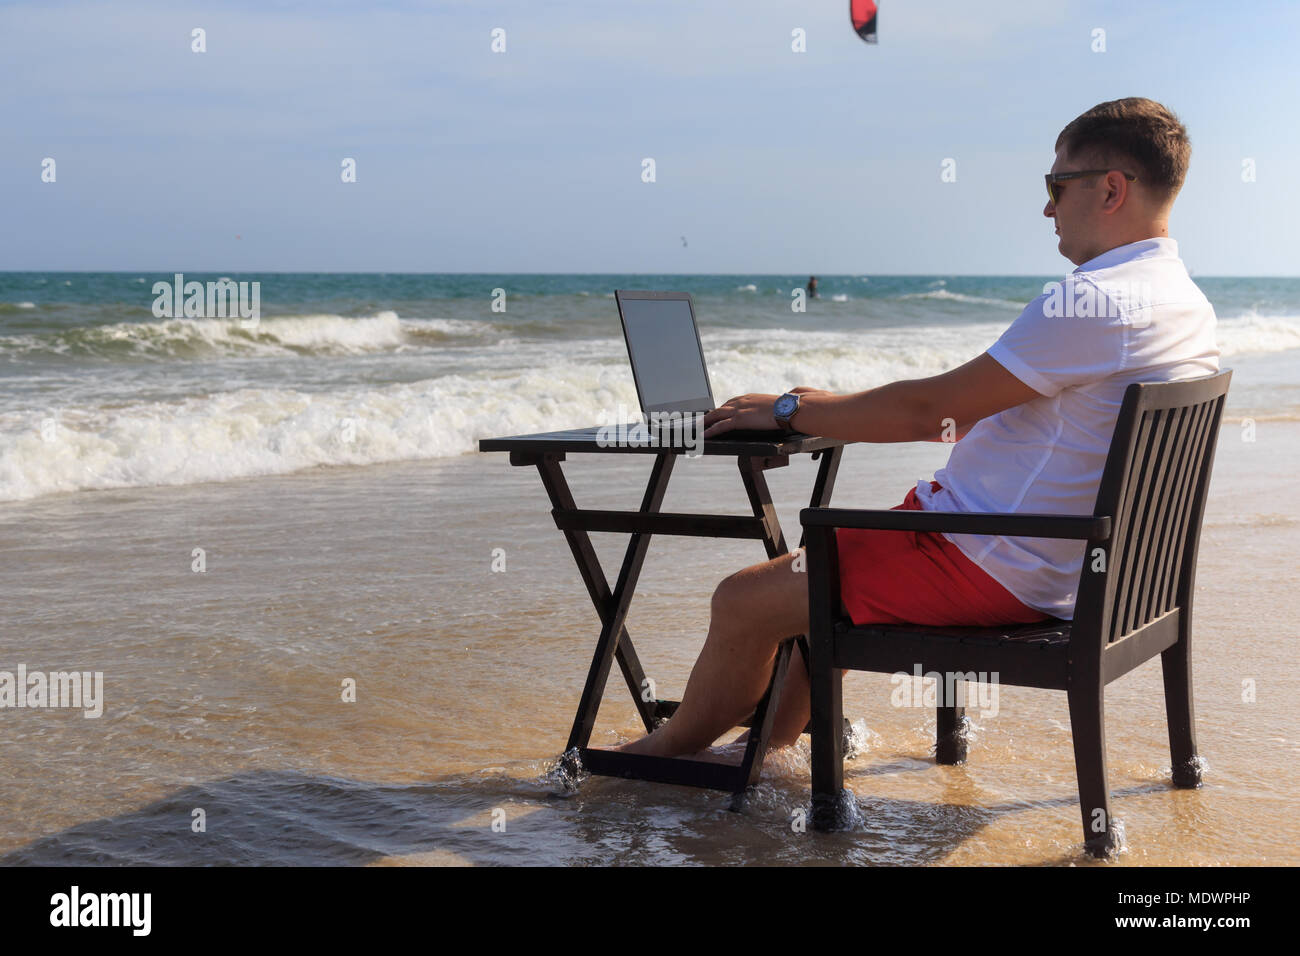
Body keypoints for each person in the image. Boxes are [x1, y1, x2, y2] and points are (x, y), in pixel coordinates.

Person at [610, 97, 1220, 760]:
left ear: (1110, 189)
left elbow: (932, 415)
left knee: (743, 601)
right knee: (826, 560)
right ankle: (771, 751)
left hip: (992, 562)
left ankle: (665, 759)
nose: (1047, 207)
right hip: (1074, 567)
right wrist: (828, 403)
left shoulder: (1093, 299)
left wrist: (790, 411)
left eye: (1056, 185)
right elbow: (960, 406)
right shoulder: (1184, 301)